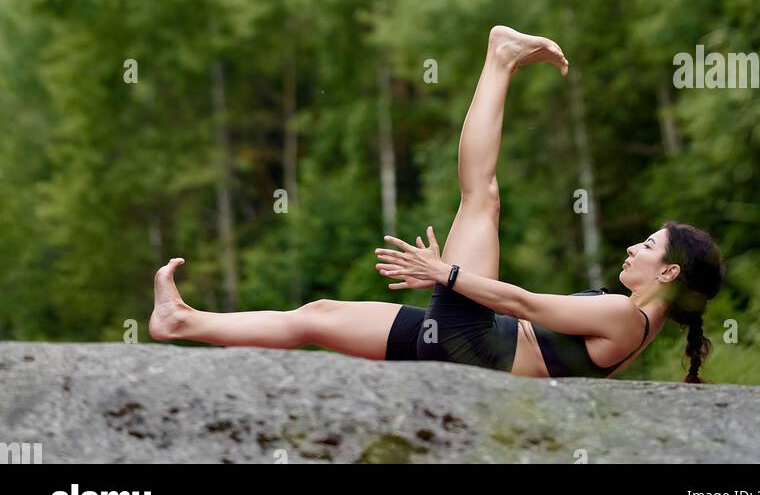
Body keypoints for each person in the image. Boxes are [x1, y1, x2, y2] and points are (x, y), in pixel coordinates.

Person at [150, 26, 725, 381]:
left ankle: (499, 58)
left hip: (473, 347)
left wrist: (442, 272)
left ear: (669, 271)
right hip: (457, 348)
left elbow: (524, 303)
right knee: (316, 316)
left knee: (483, 197)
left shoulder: (626, 316)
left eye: (648, 246)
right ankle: (183, 321)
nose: (633, 247)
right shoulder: (643, 325)